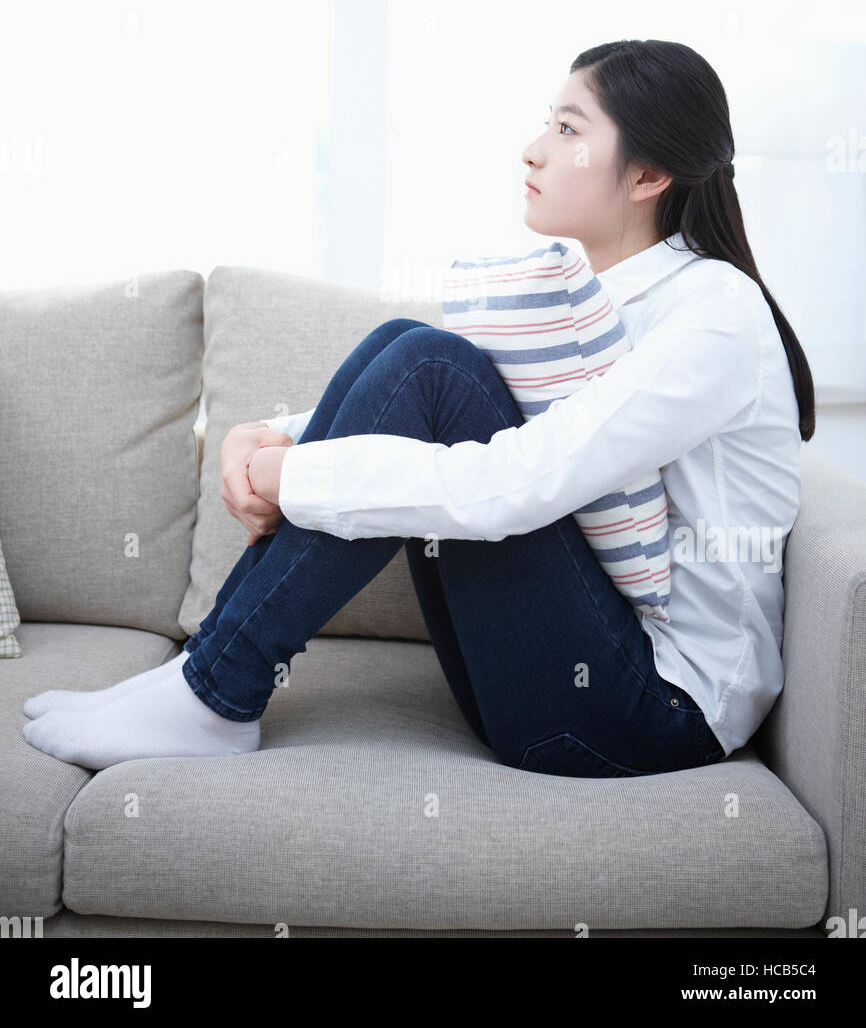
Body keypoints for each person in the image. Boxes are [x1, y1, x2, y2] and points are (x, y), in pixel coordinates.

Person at [22, 38, 814, 778]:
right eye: (547, 122)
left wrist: (296, 474)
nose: (534, 148)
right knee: (416, 346)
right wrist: (269, 437)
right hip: (558, 679)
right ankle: (205, 681)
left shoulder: (713, 314)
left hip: (647, 715)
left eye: (568, 129)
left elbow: (519, 483)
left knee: (428, 363)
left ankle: (212, 695)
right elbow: (453, 401)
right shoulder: (599, 307)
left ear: (647, 178)